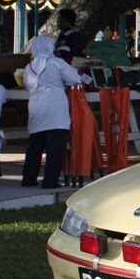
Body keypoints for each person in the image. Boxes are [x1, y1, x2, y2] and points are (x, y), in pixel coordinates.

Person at [22, 35, 82, 188]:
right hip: (55, 106)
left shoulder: (29, 67)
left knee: (35, 145)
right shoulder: (56, 62)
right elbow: (75, 79)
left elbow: (27, 85)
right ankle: (50, 181)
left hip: (36, 105)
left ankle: (28, 179)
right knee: (54, 147)